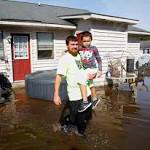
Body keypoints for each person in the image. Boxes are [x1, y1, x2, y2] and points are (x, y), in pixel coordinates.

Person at [53, 35, 95, 136]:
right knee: (77, 119)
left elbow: (86, 73)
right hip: (75, 96)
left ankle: (76, 130)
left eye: (76, 44)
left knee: (87, 117)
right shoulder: (65, 59)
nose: (75, 46)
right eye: (72, 44)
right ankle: (77, 134)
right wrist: (56, 94)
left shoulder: (81, 56)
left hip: (87, 94)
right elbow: (58, 77)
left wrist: (94, 78)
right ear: (67, 45)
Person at [77, 31, 102, 112]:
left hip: (92, 68)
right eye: (84, 41)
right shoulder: (79, 48)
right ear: (81, 41)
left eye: (88, 41)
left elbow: (99, 59)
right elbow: (73, 50)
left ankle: (85, 102)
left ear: (91, 40)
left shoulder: (93, 48)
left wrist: (100, 70)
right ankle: (95, 99)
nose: (86, 43)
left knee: (82, 81)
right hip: (85, 69)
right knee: (90, 84)